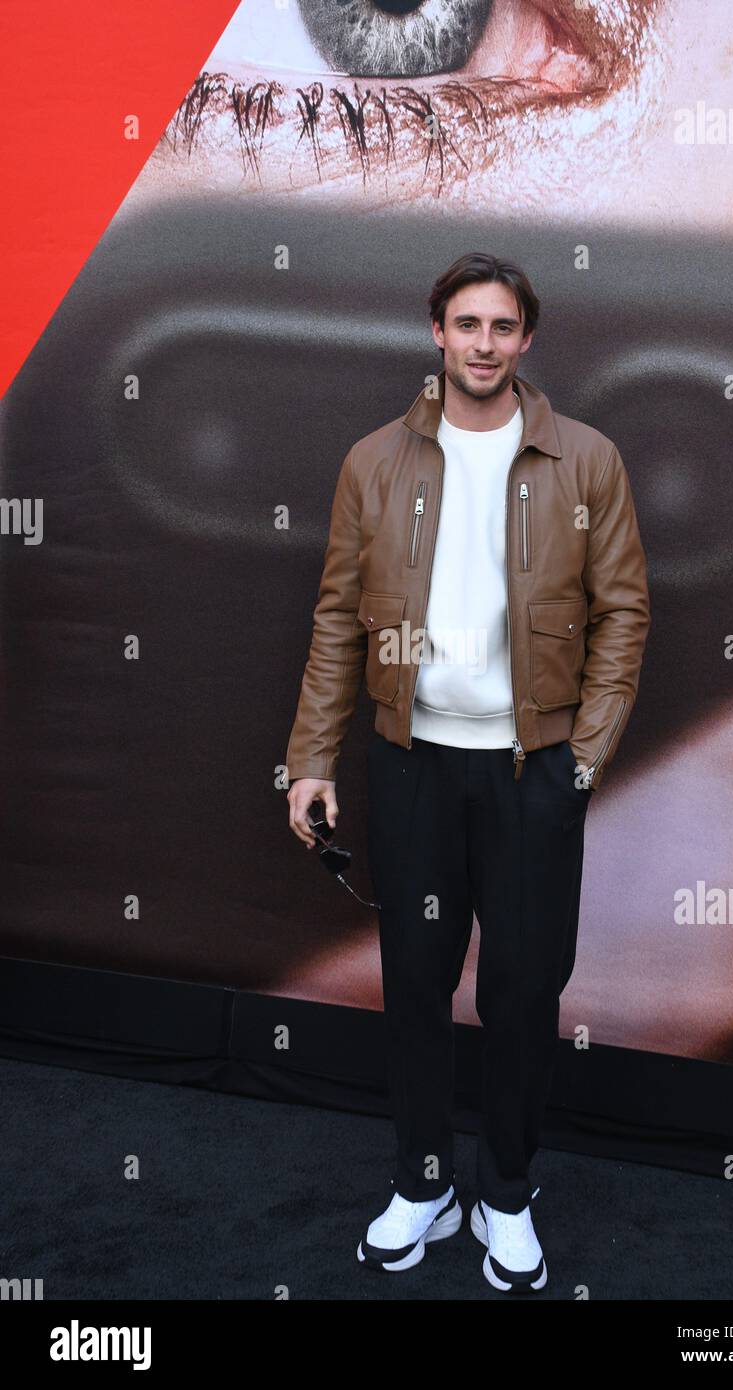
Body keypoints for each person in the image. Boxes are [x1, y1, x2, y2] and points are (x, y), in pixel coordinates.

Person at [286, 251, 650, 1293]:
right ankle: (421, 1183)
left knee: (525, 992)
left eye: (501, 326)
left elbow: (624, 611)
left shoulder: (583, 459)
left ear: (524, 339)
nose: (482, 343)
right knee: (413, 987)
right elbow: (336, 620)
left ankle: (504, 1194)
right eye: (464, 324)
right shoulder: (375, 461)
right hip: (412, 766)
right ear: (434, 333)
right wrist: (310, 759)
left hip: (532, 768)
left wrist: (584, 754)